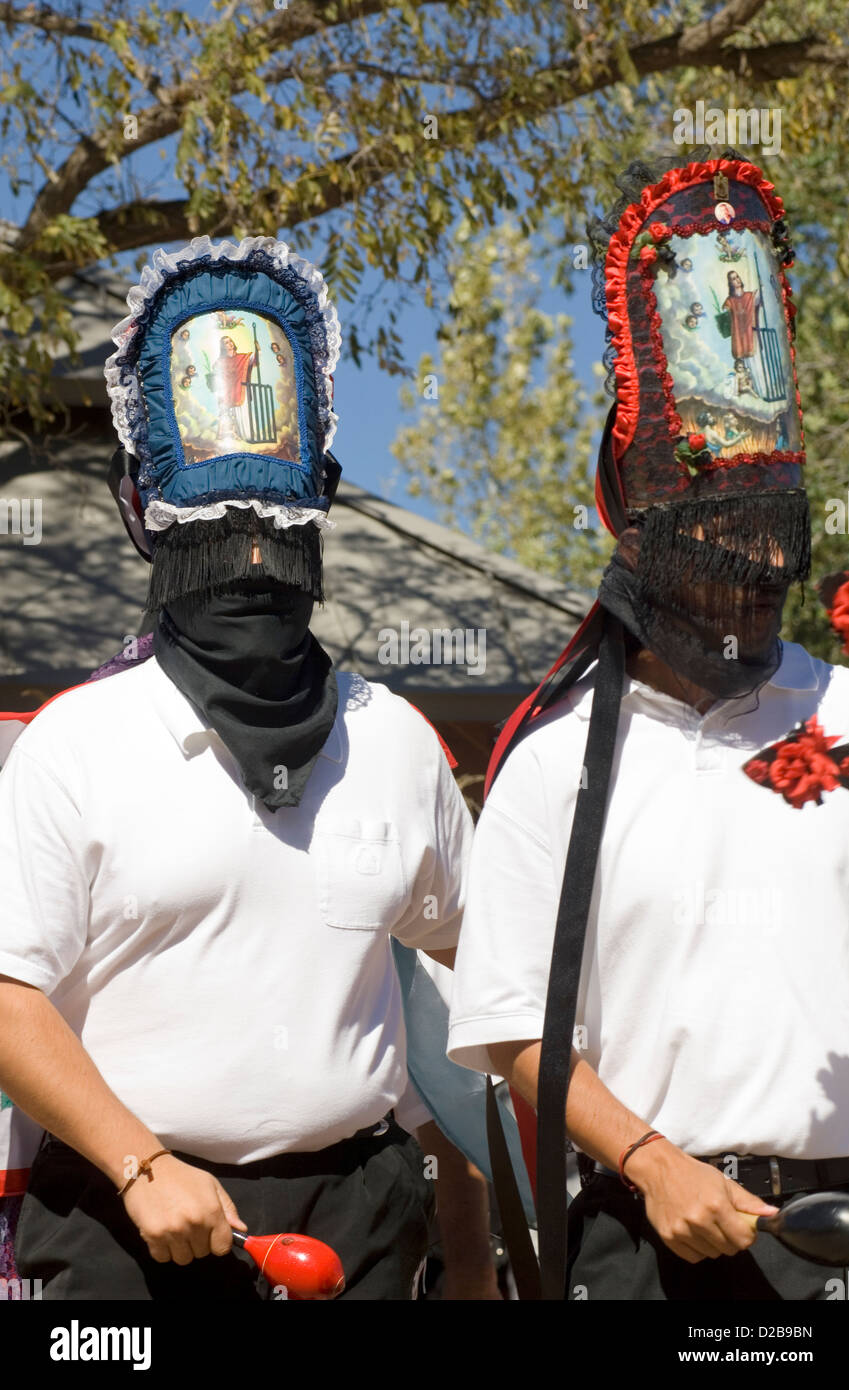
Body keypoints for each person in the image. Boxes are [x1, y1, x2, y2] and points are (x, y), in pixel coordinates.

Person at [0, 236, 481, 1301]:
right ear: (141, 512)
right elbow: (6, 998)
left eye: (277, 538)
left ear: (324, 506)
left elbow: (492, 977)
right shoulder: (74, 745)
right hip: (125, 1219)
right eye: (217, 546)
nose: (253, 566)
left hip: (362, 1219)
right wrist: (141, 1164)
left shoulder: (396, 739)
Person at [448, 151, 849, 1302]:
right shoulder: (551, 762)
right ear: (639, 540)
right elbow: (511, 1029)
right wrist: (647, 1159)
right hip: (643, 1234)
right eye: (720, 547)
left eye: (772, 543)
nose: (754, 574)